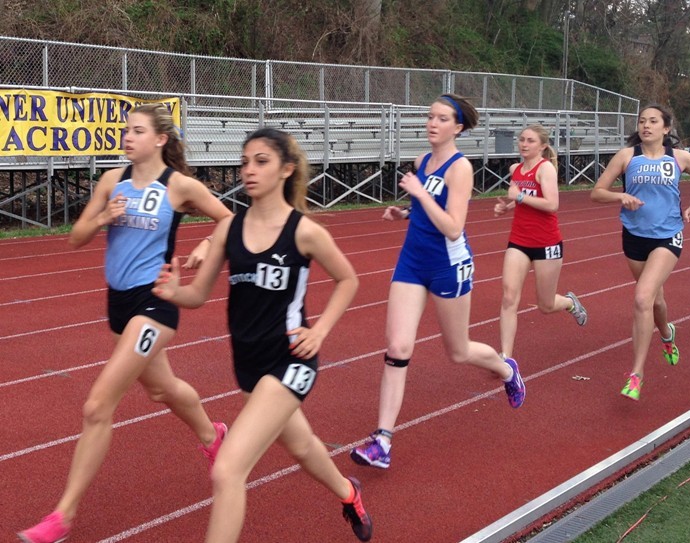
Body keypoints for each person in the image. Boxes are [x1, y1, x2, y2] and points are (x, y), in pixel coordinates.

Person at [18, 103, 233, 543]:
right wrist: (102, 218)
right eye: (125, 130)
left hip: (154, 304)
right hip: (118, 304)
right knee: (161, 388)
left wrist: (208, 246)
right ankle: (214, 437)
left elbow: (228, 217)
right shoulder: (111, 181)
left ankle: (62, 517)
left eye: (136, 130)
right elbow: (76, 237)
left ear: (159, 139)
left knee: (98, 405)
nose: (127, 136)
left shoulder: (179, 187)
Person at [152, 127, 372, 542]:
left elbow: (348, 279)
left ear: (286, 169)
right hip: (248, 363)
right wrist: (172, 292)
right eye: (245, 162)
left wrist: (320, 330)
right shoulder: (229, 229)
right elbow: (198, 295)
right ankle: (348, 492)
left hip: (291, 358)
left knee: (228, 469)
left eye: (261, 161)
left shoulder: (303, 231)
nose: (248, 170)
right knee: (302, 447)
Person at [350, 94, 526, 470]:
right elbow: (426, 207)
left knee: (458, 351)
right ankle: (382, 440)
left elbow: (452, 226)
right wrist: (404, 212)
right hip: (412, 262)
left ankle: (507, 370)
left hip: (448, 265)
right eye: (430, 116)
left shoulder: (460, 168)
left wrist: (416, 194)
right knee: (397, 346)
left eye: (442, 118)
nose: (432, 123)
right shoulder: (422, 162)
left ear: (457, 127)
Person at [590, 103, 690, 401]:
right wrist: (620, 195)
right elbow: (596, 192)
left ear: (666, 128)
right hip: (634, 237)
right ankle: (667, 334)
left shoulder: (681, 158)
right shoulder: (626, 156)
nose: (646, 126)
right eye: (642, 121)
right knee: (655, 301)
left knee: (642, 297)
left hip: (668, 236)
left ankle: (637, 374)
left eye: (653, 121)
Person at [493, 124, 588, 361]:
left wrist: (520, 197)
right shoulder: (516, 168)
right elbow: (522, 199)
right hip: (519, 240)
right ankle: (506, 359)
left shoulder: (545, 169)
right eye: (522, 139)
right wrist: (507, 205)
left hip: (546, 243)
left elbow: (551, 204)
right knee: (508, 297)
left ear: (542, 146)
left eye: (530, 141)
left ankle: (568, 302)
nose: (524, 144)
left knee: (545, 305)